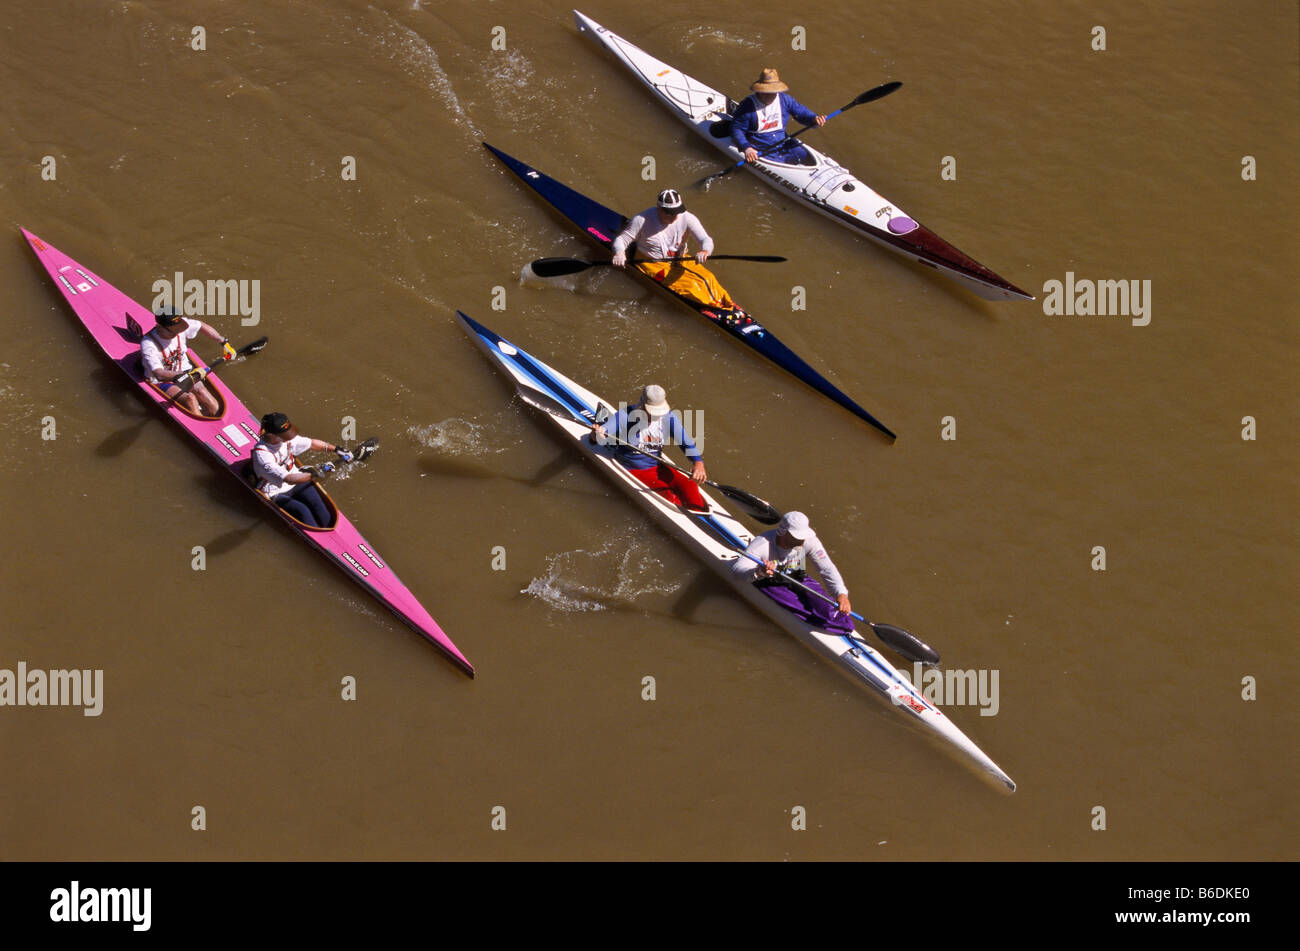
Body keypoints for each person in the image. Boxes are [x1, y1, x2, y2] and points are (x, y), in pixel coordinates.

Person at [610, 189, 737, 312]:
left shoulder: (687, 217)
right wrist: (619, 253)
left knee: (708, 278)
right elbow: (621, 240)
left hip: (680, 258)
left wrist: (705, 251)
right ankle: (713, 306)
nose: (675, 216)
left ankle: (725, 304)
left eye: (677, 211)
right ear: (659, 208)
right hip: (651, 262)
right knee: (692, 287)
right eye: (670, 213)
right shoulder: (641, 220)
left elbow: (706, 239)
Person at [591, 384, 709, 513]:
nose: (657, 416)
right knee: (669, 495)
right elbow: (601, 435)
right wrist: (596, 435)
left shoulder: (668, 418)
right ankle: (688, 517)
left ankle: (699, 514)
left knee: (689, 484)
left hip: (657, 465)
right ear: (641, 406)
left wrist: (698, 462)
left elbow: (686, 443)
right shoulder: (625, 415)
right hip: (635, 468)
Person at [731, 511, 854, 633]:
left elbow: (827, 569)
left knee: (833, 613)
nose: (801, 541)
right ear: (783, 532)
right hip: (769, 581)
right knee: (811, 614)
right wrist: (759, 571)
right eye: (797, 537)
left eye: (803, 536)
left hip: (796, 575)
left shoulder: (810, 541)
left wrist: (841, 594)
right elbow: (737, 571)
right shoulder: (762, 544)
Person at [251, 413, 355, 528]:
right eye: (284, 435)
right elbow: (289, 479)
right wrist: (318, 471)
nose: (289, 437)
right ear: (271, 435)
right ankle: (319, 539)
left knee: (319, 506)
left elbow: (312, 443)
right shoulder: (262, 455)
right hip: (274, 491)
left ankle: (333, 533)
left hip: (297, 479)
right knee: (302, 510)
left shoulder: (284, 439)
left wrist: (337, 449)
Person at [140, 307, 234, 416]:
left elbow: (201, 326)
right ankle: (200, 428)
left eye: (179, 328)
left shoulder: (180, 325)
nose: (178, 332)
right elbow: (159, 374)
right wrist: (184, 375)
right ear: (160, 327)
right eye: (174, 330)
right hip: (162, 381)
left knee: (210, 401)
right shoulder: (148, 345)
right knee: (191, 399)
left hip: (186, 371)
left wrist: (223, 341)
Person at [730, 68, 827, 167]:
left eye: (773, 92)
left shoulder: (785, 99)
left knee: (804, 156)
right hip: (761, 147)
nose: (770, 95)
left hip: (784, 141)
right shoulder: (747, 107)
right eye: (766, 92)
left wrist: (814, 118)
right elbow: (737, 129)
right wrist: (747, 148)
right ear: (759, 91)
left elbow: (800, 111)